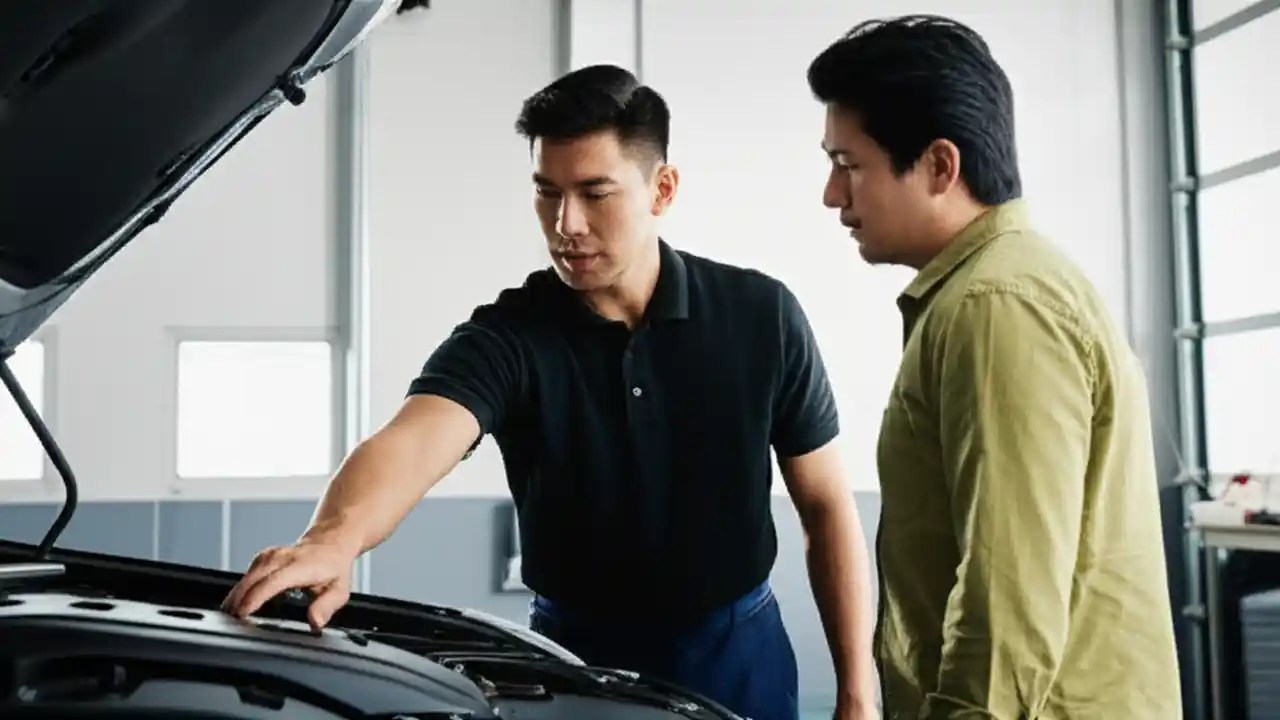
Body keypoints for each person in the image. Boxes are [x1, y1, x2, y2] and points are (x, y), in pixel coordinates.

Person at [222, 64, 878, 720]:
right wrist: (333, 540)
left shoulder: (762, 315)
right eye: (547, 192)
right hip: (573, 661)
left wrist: (856, 690)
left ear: (663, 189)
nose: (566, 223)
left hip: (737, 654)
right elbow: (412, 441)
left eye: (595, 193)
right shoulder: (509, 335)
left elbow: (825, 507)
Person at [805, 15, 1182, 720]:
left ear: (941, 166)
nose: (833, 194)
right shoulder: (990, 292)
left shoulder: (998, 305)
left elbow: (1007, 609)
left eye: (849, 164)